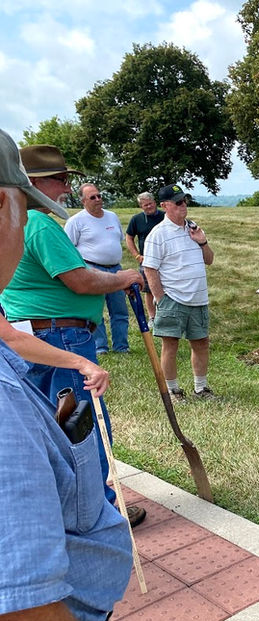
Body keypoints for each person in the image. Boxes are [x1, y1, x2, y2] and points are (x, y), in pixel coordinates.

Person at [0, 127, 142, 621]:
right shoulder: (47, 228)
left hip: (49, 339)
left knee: (66, 438)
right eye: (32, 195)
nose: (44, 199)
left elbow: (7, 335)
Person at [0, 144, 144, 523]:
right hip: (60, 336)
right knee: (83, 425)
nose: (66, 188)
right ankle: (97, 511)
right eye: (61, 180)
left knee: (55, 425)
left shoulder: (25, 224)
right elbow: (79, 280)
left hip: (35, 337)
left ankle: (69, 506)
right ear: (32, 183)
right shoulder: (41, 224)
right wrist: (122, 278)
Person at [142, 183, 215, 400]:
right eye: (178, 202)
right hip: (173, 298)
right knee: (170, 344)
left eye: (185, 201)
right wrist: (160, 299)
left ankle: (200, 388)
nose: (184, 206)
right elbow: (150, 268)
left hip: (198, 297)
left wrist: (202, 241)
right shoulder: (158, 234)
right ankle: (172, 390)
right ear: (164, 206)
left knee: (201, 343)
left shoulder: (193, 228)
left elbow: (209, 260)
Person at [64, 183, 130, 354]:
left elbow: (118, 239)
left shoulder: (112, 216)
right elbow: (68, 249)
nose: (98, 199)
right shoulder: (75, 221)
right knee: (96, 312)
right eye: (93, 197)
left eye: (99, 195)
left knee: (120, 311)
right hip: (92, 269)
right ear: (83, 201)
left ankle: (122, 346)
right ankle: (100, 347)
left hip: (115, 269)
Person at [125, 191, 164, 319]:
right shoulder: (137, 219)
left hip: (165, 259)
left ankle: (166, 315)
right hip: (146, 261)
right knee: (149, 290)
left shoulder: (166, 217)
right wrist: (137, 256)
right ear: (141, 206)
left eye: (150, 203)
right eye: (145, 205)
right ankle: (152, 317)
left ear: (155, 203)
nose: (149, 206)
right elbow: (129, 237)